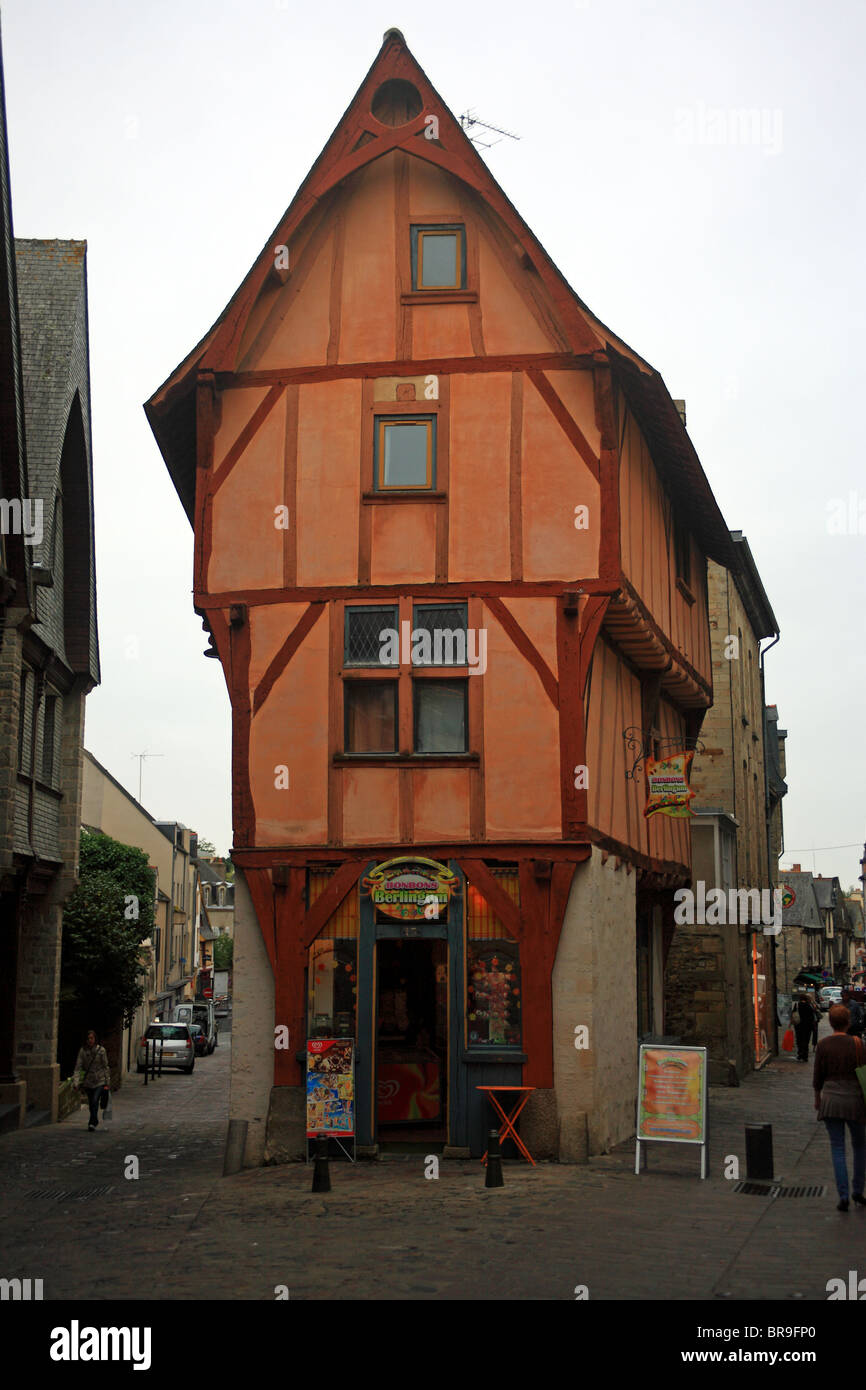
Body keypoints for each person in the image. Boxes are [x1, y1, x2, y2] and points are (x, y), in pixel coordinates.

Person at [813, 1003, 866, 1212]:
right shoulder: (858, 1044)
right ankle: (858, 1191)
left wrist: (817, 1097)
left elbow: (818, 1076)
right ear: (848, 1022)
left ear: (831, 1022)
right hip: (855, 1100)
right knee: (860, 1146)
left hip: (832, 1100)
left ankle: (843, 1195)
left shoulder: (824, 1045)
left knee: (837, 1147)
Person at [73, 1028, 111, 1131]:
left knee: (95, 1100)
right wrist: (76, 1082)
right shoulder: (82, 1051)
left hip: (100, 1080)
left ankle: (92, 1122)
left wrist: (107, 1082)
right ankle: (94, 1120)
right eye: (88, 1038)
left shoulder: (101, 1050)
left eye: (92, 1038)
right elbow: (78, 1067)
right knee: (91, 1103)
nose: (90, 1040)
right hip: (88, 1081)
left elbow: (105, 1067)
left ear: (95, 1039)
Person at [792, 992, 817, 1062]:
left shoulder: (797, 1005)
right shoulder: (809, 1006)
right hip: (807, 1026)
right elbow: (812, 1016)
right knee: (806, 1041)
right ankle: (805, 1056)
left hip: (798, 1025)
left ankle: (800, 1054)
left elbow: (793, 1014)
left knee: (799, 1040)